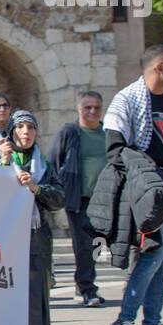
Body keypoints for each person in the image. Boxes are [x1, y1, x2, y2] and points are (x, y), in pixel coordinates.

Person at [102, 45, 163, 325]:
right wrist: (147, 179)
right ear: (158, 67)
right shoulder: (126, 100)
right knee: (152, 254)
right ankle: (124, 322)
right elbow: (115, 150)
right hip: (147, 190)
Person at [0, 111, 65, 325]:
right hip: (3, 242)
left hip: (34, 241)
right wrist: (2, 163)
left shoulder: (43, 165)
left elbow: (58, 198)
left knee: (33, 304)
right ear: (10, 131)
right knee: (5, 301)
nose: (25, 132)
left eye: (30, 127)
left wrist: (36, 188)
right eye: (19, 126)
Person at [48, 90, 108, 306]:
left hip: (103, 200)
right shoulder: (70, 132)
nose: (92, 111)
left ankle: (84, 284)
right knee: (83, 244)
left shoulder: (107, 133)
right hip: (78, 198)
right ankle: (86, 289)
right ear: (78, 108)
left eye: (96, 107)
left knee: (96, 245)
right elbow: (53, 161)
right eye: (87, 107)